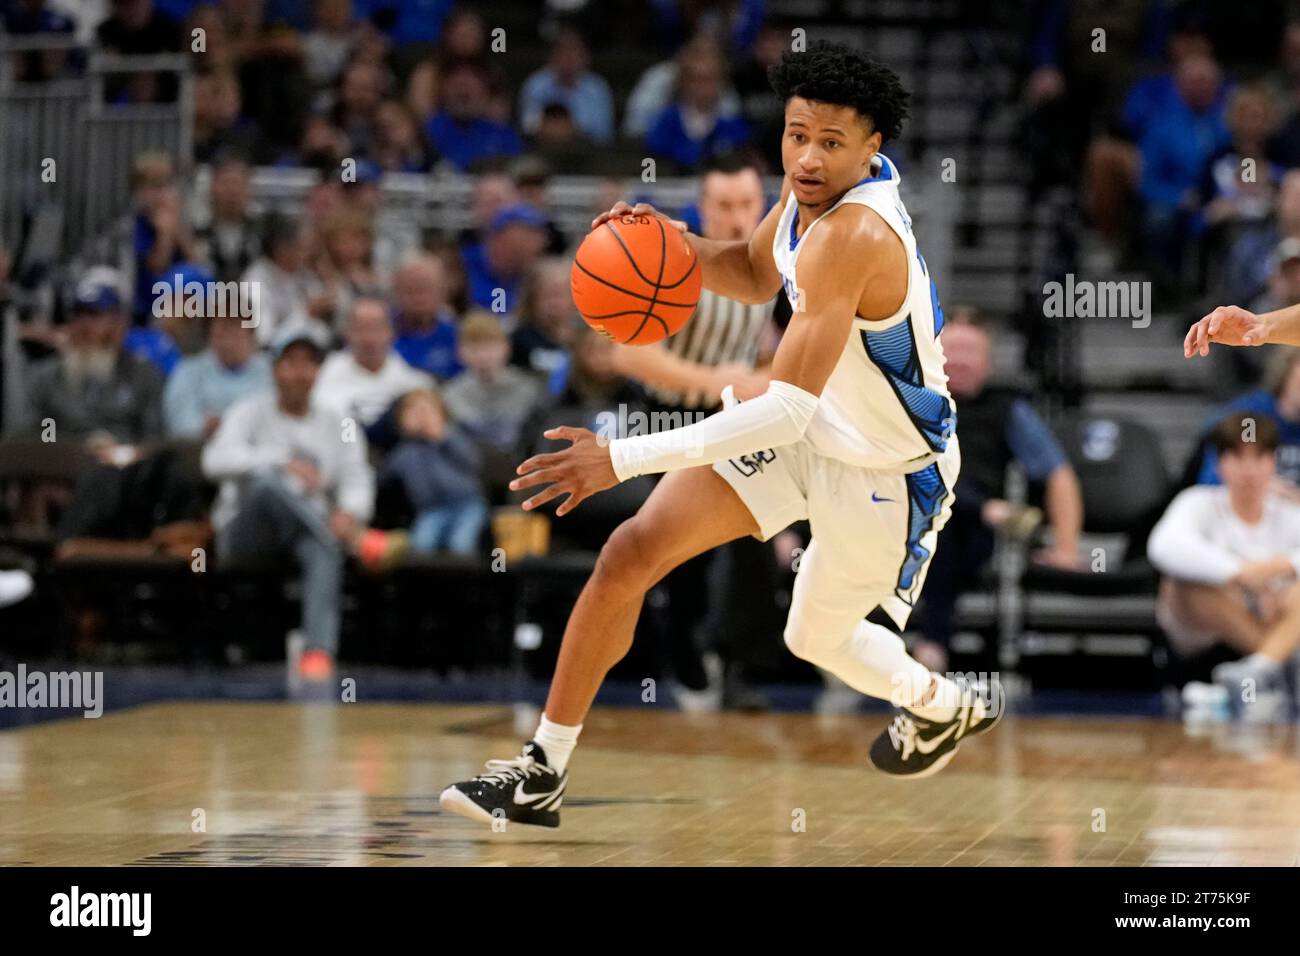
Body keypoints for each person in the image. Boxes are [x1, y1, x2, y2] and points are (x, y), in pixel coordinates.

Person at [441, 42, 1002, 829]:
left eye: (830, 143)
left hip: (889, 471)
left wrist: (620, 457)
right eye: (796, 133)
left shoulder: (857, 235)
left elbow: (783, 409)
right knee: (630, 552)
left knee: (813, 637)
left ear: (873, 148)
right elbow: (747, 268)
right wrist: (662, 245)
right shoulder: (809, 193)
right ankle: (542, 771)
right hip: (814, 431)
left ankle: (943, 703)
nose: (806, 157)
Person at [913, 308, 1084, 672]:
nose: (959, 360)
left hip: (969, 535)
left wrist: (1066, 547)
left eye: (970, 351)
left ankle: (931, 647)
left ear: (988, 363)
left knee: (946, 528)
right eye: (951, 349)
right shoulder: (910, 401)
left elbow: (1058, 474)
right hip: (904, 516)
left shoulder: (1008, 411)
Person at [202, 325, 375, 681]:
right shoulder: (248, 411)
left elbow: (357, 475)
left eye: (308, 363)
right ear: (274, 368)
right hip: (246, 530)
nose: (299, 372)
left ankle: (317, 652)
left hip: (304, 532)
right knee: (267, 482)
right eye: (290, 362)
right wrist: (280, 459)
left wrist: (350, 511)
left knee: (322, 546)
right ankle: (354, 539)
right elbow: (213, 461)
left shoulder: (337, 419)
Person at [1149, 412, 1300, 718]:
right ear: (1220, 464)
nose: (1249, 471)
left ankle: (1256, 671)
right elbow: (1163, 546)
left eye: (1258, 458)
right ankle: (1272, 665)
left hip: (1277, 621)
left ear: (1272, 463)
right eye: (1238, 458)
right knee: (1182, 585)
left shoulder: (1288, 513)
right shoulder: (1197, 502)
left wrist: (1280, 568)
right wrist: (1241, 575)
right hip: (1209, 640)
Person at [381, 388, 487, 556]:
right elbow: (385, 482)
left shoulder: (454, 437)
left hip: (467, 504)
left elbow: (474, 462)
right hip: (430, 510)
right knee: (421, 545)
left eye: (428, 411)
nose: (422, 418)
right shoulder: (403, 452)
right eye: (414, 412)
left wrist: (443, 436)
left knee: (460, 544)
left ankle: (466, 582)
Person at [314, 297, 431, 427]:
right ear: (347, 333)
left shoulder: (413, 381)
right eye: (360, 329)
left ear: (390, 332)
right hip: (344, 441)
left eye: (375, 329)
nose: (368, 338)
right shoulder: (323, 377)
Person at [164, 316, 272, 440]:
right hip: (202, 449)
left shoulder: (270, 370)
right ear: (209, 335)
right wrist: (204, 426)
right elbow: (180, 425)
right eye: (222, 332)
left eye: (236, 331)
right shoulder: (187, 371)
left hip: (262, 447)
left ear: (251, 333)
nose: (229, 341)